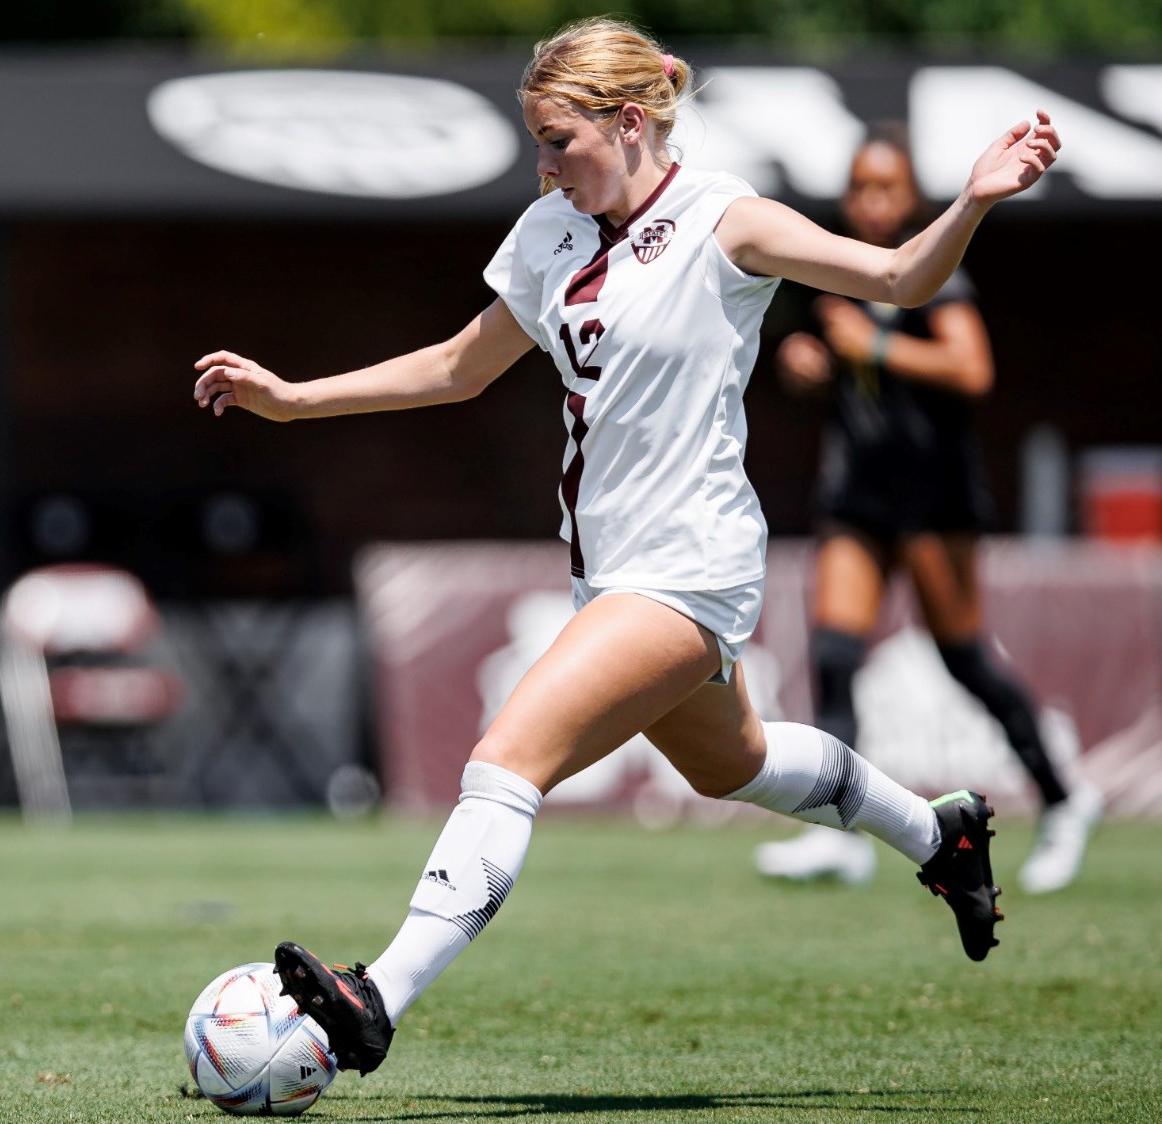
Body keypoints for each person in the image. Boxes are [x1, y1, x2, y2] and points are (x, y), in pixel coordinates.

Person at [191, 17, 1058, 1076]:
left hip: (690, 564)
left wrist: (972, 200)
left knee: (503, 763)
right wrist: (295, 400)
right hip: (607, 569)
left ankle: (378, 996)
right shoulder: (548, 231)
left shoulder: (724, 219)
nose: (544, 166)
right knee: (734, 763)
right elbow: (462, 365)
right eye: (537, 143)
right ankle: (939, 835)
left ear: (631, 121)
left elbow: (896, 278)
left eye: (558, 141)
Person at [754, 126, 1101, 894]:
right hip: (858, 494)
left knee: (964, 659)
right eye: (861, 187)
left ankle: (1065, 799)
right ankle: (838, 833)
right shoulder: (837, 269)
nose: (873, 201)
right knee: (835, 656)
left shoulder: (934, 269)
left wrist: (871, 349)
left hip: (933, 497)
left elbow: (971, 368)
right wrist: (809, 365)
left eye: (888, 186)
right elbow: (838, 366)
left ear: (911, 197)